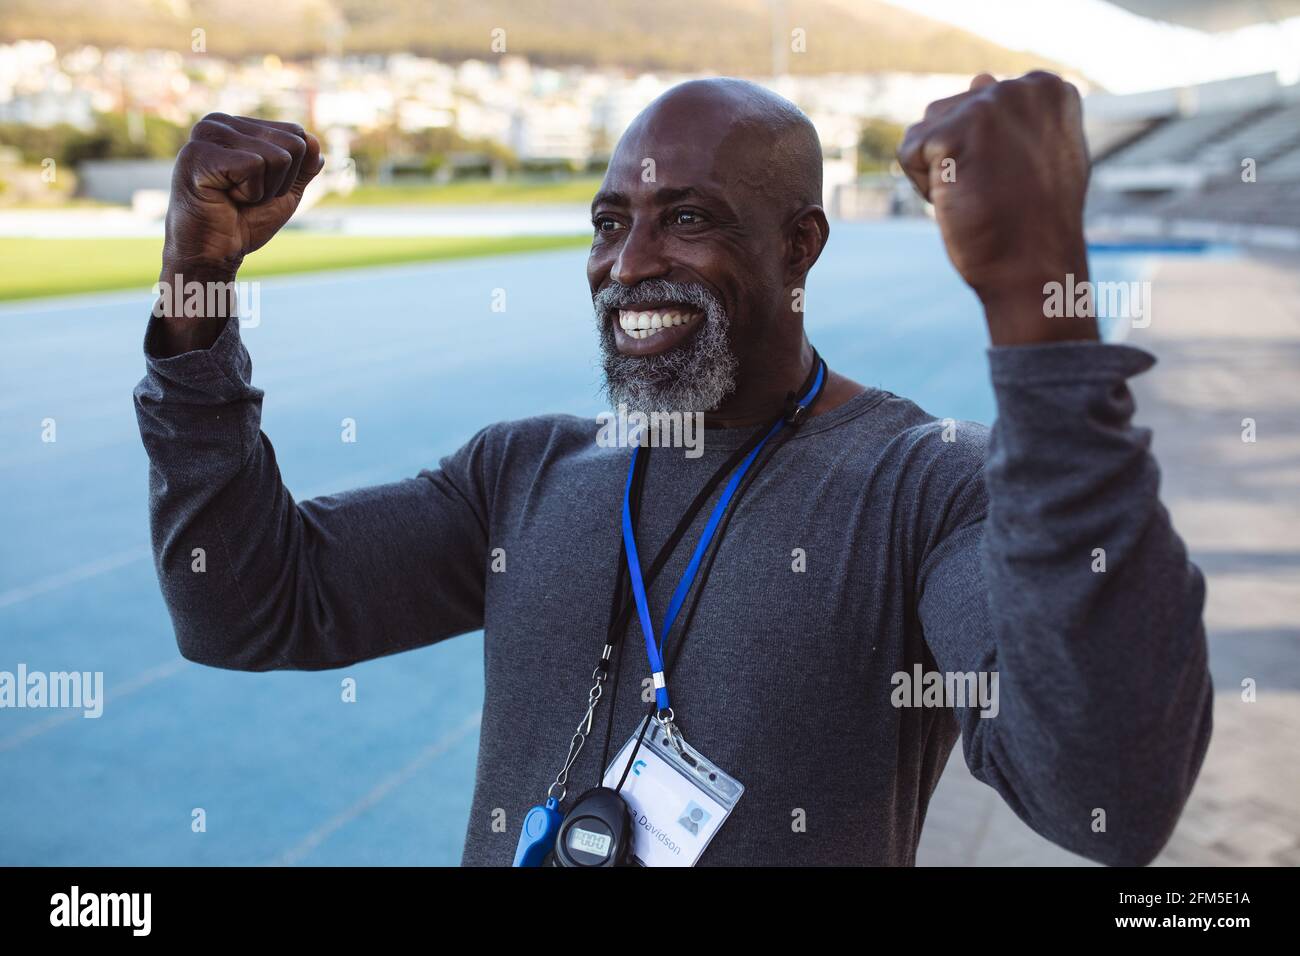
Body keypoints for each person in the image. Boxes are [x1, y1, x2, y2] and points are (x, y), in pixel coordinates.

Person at [134, 74, 1212, 866]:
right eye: (611, 222)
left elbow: (1106, 791)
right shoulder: (523, 472)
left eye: (686, 218)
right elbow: (242, 607)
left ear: (800, 247)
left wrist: (1041, 318)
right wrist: (195, 288)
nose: (630, 261)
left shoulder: (921, 489)